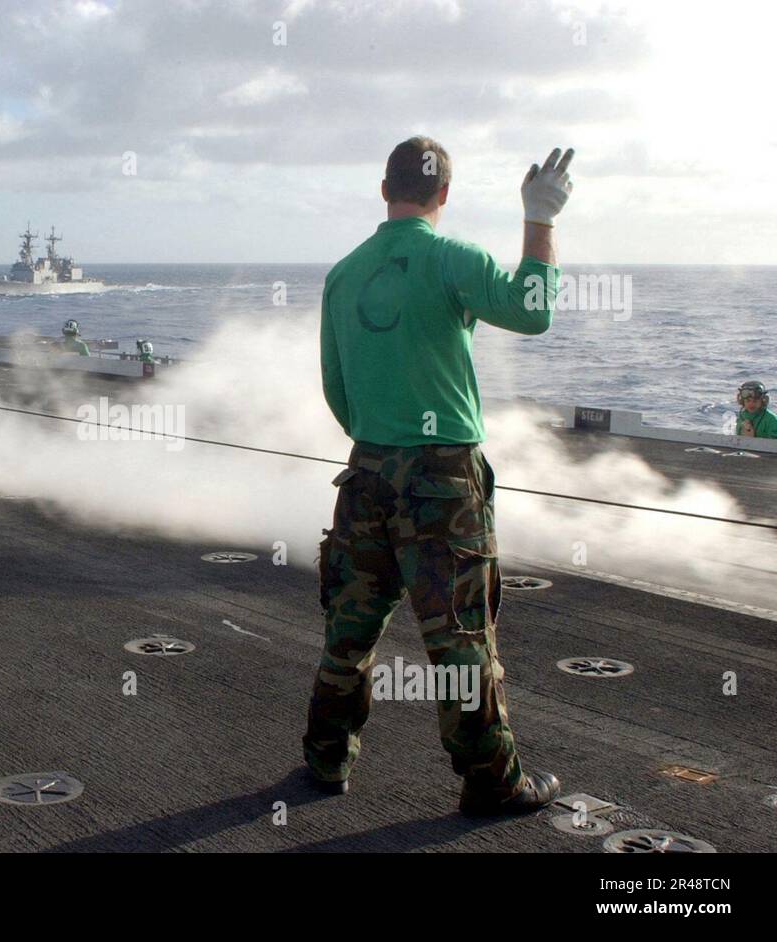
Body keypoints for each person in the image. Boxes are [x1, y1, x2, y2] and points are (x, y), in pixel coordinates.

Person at [304, 137, 573, 816]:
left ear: (383, 187)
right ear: (444, 196)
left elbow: (337, 389)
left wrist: (382, 436)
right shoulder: (454, 259)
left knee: (350, 630)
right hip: (443, 482)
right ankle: (491, 782)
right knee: (459, 637)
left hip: (364, 473)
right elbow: (532, 312)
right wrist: (540, 220)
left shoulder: (343, 273)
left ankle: (327, 760)